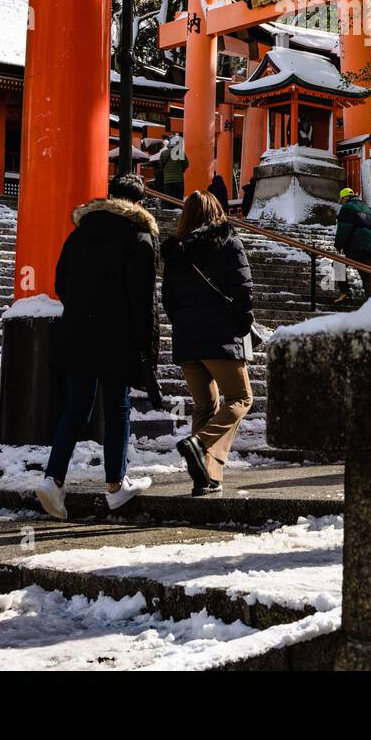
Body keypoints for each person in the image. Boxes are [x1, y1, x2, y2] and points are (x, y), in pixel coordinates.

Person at [37, 173, 159, 521]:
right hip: (117, 336)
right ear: (138, 203)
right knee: (118, 407)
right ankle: (115, 486)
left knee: (76, 406)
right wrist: (146, 347)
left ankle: (53, 479)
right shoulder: (139, 238)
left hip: (77, 334)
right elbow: (142, 299)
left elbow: (61, 283)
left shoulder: (79, 236)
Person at [161, 190, 254, 495]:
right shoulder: (229, 243)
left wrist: (185, 325)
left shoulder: (176, 253)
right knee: (241, 399)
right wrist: (243, 323)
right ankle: (199, 443)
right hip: (220, 335)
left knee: (204, 406)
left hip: (187, 340)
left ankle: (206, 477)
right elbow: (243, 290)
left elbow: (168, 300)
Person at [333, 187, 371, 302]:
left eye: (342, 200)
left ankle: (345, 292)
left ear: (345, 198)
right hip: (370, 249)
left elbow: (344, 228)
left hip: (354, 247)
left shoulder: (347, 208)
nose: (342, 202)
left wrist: (339, 245)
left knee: (337, 265)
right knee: (367, 276)